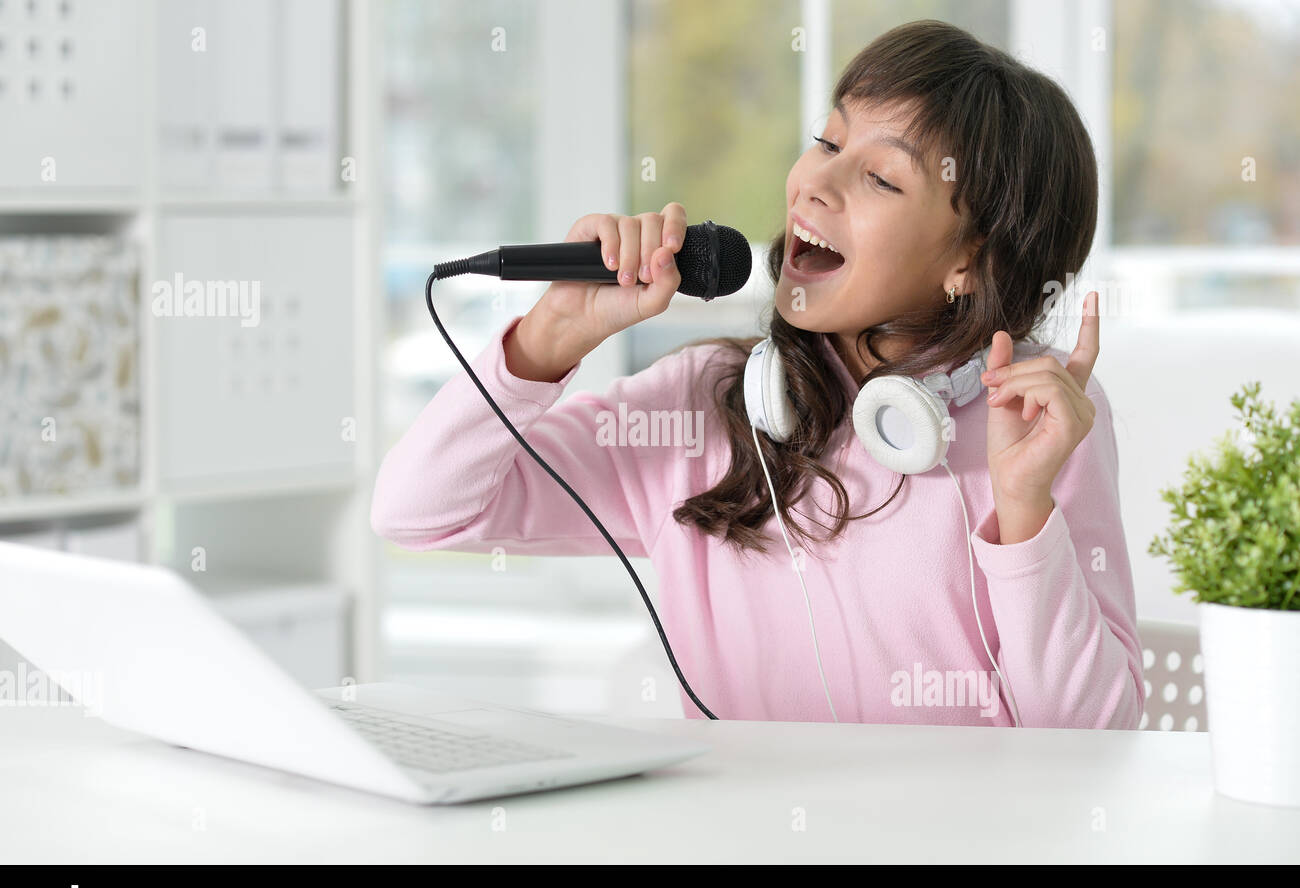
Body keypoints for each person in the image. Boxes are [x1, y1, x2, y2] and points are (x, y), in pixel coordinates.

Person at [371, 20, 1143, 728]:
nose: (815, 182)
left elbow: (1091, 740)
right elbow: (417, 511)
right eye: (828, 141)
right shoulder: (702, 404)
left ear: (970, 260)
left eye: (881, 179)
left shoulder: (1038, 420)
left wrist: (1024, 511)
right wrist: (543, 342)